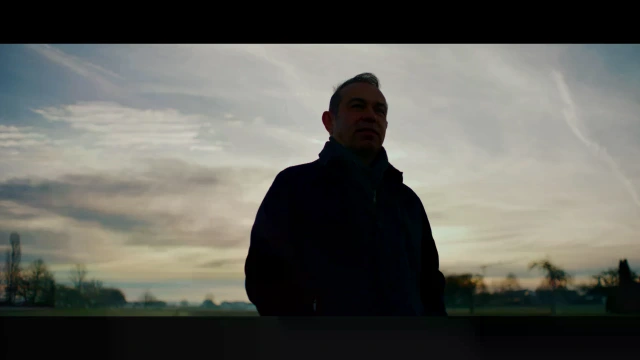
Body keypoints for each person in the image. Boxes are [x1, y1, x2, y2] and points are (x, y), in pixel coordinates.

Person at [244, 72, 447, 316]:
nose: (371, 116)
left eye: (379, 110)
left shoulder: (408, 201)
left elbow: (430, 285)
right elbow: (265, 275)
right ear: (329, 121)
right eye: (357, 106)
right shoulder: (294, 186)